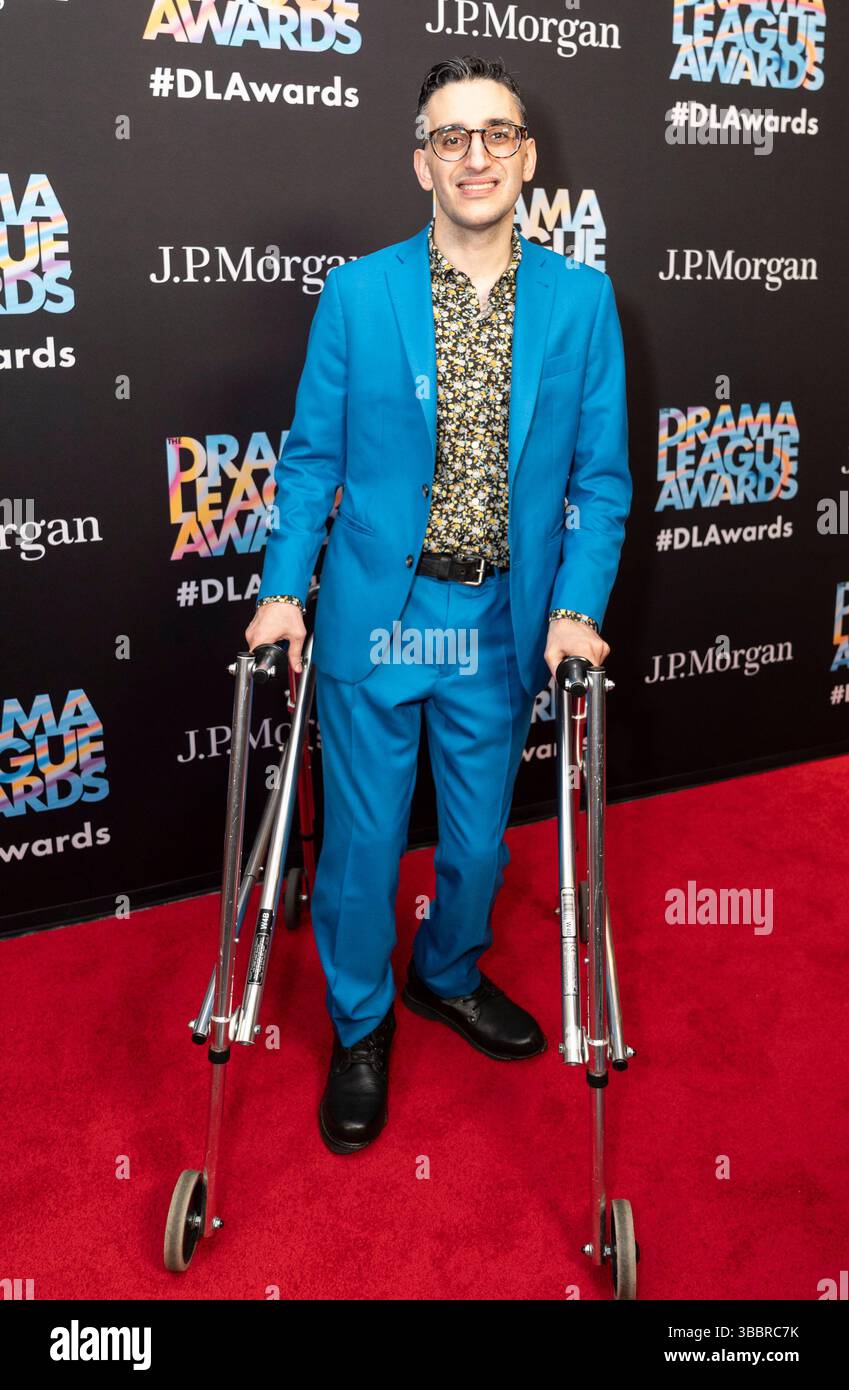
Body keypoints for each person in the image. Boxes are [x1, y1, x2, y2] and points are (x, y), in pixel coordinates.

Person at [245, 54, 631, 1154]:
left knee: (475, 848)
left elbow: (601, 481)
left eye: (495, 134)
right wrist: (283, 589)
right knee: (363, 848)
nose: (475, 156)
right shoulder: (357, 295)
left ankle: (446, 974)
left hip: (501, 620)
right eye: (450, 137)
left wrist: (575, 606)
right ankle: (360, 1022)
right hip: (378, 614)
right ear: (421, 162)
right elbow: (310, 465)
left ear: (527, 156)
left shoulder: (581, 301)